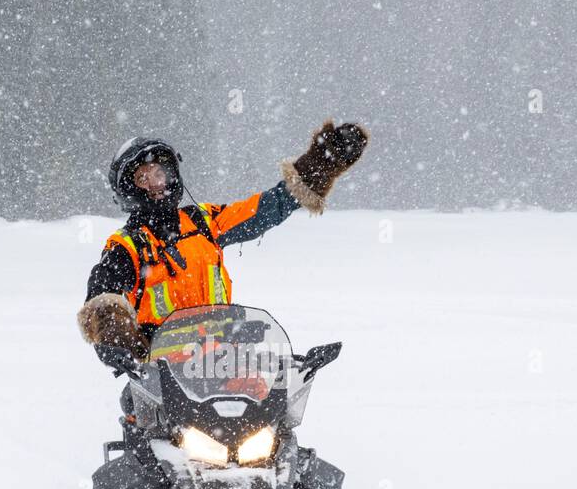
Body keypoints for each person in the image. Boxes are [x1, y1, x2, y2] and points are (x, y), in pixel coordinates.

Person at [77, 120, 369, 365]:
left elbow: (264, 210)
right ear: (130, 188)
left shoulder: (204, 221)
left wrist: (318, 165)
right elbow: (103, 294)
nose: (155, 183)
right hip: (161, 376)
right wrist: (114, 335)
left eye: (159, 173)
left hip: (224, 365)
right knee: (142, 426)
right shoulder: (127, 246)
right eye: (143, 178)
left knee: (278, 421)